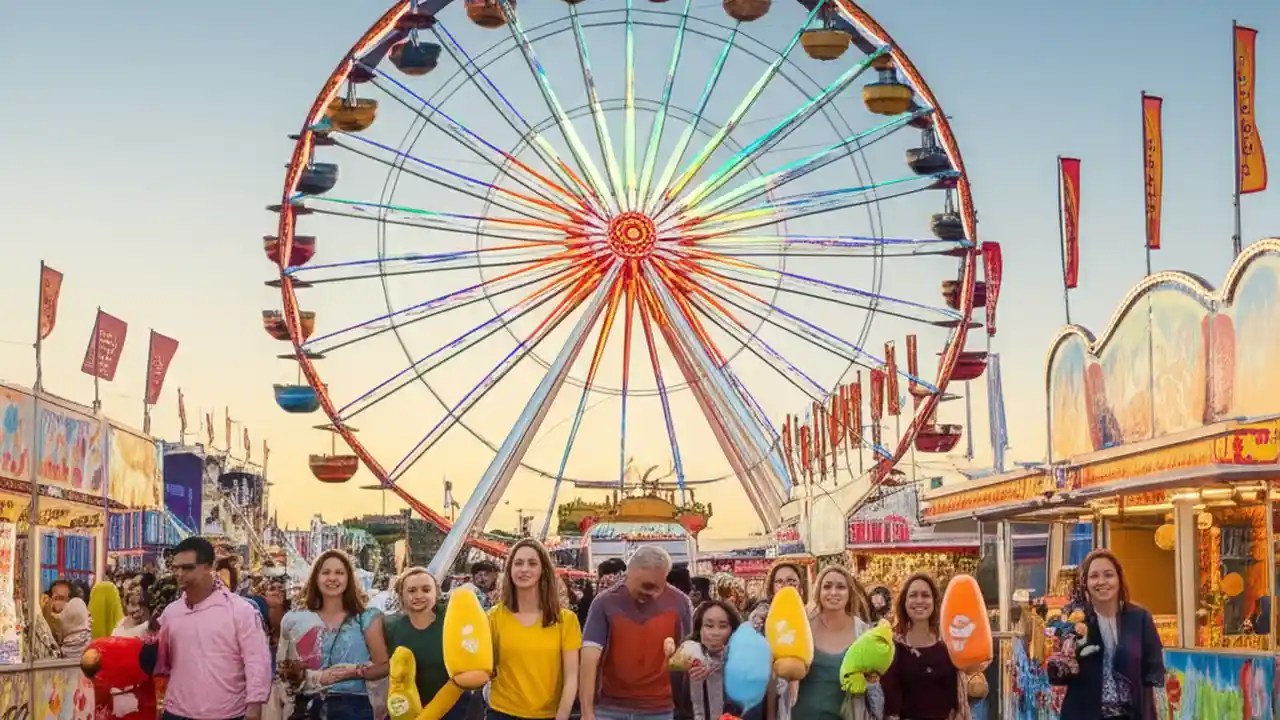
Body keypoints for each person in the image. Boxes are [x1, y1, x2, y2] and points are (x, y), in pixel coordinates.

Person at [158, 535, 273, 720]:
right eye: (175, 568)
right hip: (176, 712)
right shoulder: (171, 613)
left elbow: (257, 660)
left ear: (209, 567)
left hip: (226, 713)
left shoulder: (239, 610)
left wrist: (254, 706)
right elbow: (161, 661)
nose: (179, 573)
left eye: (187, 568)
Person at [580, 545, 693, 720]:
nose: (654, 594)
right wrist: (586, 712)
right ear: (629, 574)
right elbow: (589, 657)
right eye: (647, 586)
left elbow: (689, 653)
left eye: (660, 586)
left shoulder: (680, 603)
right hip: (610, 708)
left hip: (659, 709)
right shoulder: (604, 603)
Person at [1054, 550, 1165, 720]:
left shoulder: (1140, 618)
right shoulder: (1075, 620)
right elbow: (1059, 675)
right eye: (1094, 576)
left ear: (1119, 579)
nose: (1101, 582)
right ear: (1085, 583)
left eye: (1108, 575)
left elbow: (1154, 672)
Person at [280, 549, 389, 720]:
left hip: (354, 708)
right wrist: (314, 677)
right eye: (326, 572)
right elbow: (284, 670)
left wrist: (355, 672)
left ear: (348, 579)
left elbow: (384, 666)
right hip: (308, 706)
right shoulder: (295, 619)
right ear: (316, 577)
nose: (332, 578)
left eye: (339, 573)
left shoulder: (367, 618)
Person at [488, 539, 581, 720]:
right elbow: (485, 668)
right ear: (509, 571)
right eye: (518, 563)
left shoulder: (566, 621)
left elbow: (571, 678)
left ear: (543, 571)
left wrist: (561, 717)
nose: (524, 569)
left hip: (549, 715)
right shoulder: (493, 617)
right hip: (502, 712)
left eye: (532, 563)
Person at [368, 567, 467, 720]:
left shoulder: (452, 621)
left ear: (437, 593)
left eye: (426, 590)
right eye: (412, 591)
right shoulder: (390, 626)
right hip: (405, 711)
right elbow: (382, 665)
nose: (419, 595)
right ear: (402, 595)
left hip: (451, 709)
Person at [785, 566, 872, 720]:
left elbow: (873, 686)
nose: (833, 592)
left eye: (840, 587)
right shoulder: (802, 626)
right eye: (827, 586)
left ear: (850, 593)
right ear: (818, 591)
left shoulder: (863, 633)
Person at [880, 573, 961, 720]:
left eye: (925, 595)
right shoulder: (892, 647)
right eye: (913, 595)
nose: (919, 600)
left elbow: (957, 699)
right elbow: (889, 704)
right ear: (904, 602)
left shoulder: (948, 644)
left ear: (934, 601)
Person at [685, 599, 741, 720]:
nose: (715, 633)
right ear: (699, 629)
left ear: (733, 630)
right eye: (709, 626)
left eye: (723, 626)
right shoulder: (686, 657)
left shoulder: (741, 662)